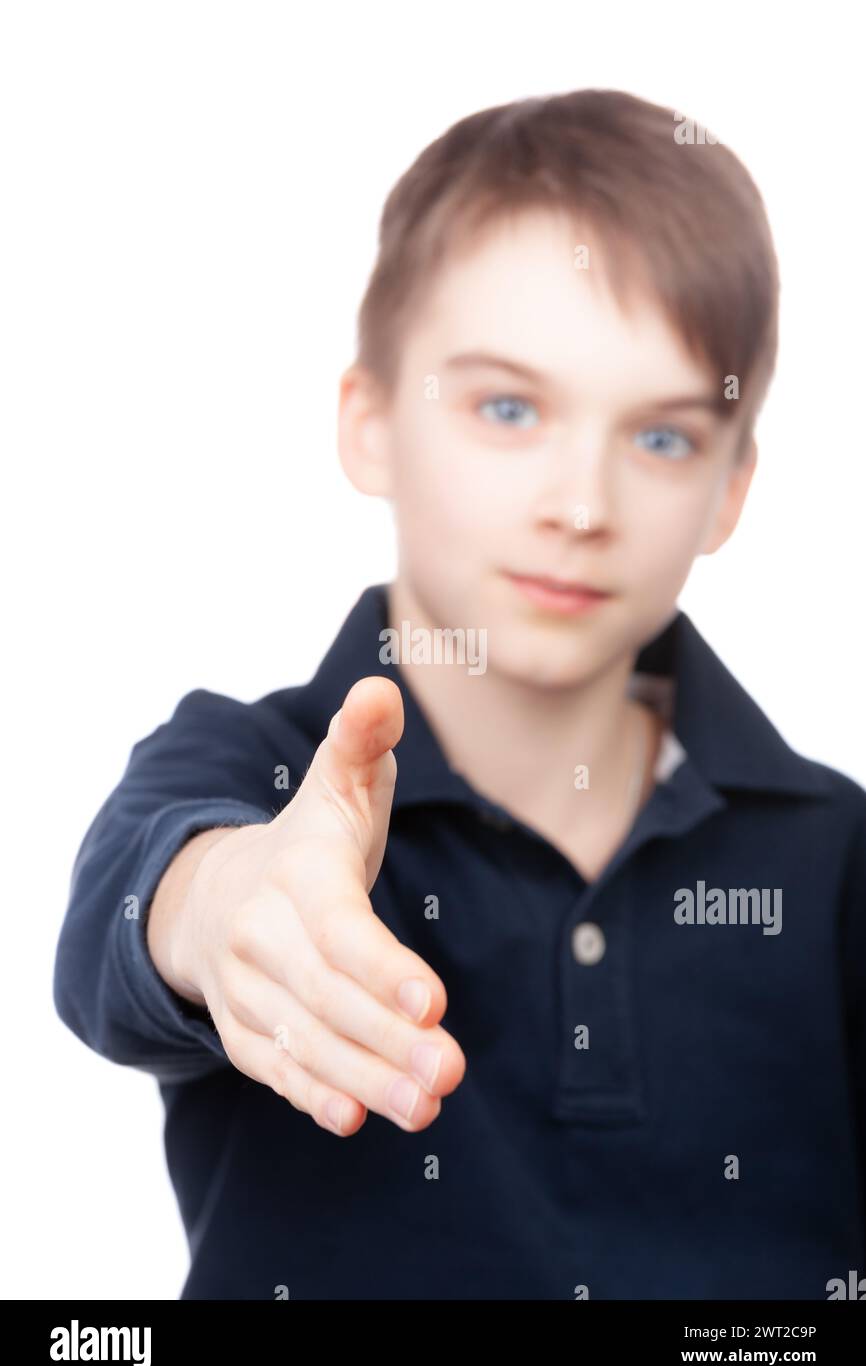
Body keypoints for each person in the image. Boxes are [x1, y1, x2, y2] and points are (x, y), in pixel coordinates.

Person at [53, 88, 866, 1299]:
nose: (579, 502)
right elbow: (138, 910)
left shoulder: (835, 853)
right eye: (505, 407)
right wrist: (229, 908)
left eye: (659, 438)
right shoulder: (247, 767)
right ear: (370, 422)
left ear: (728, 491)